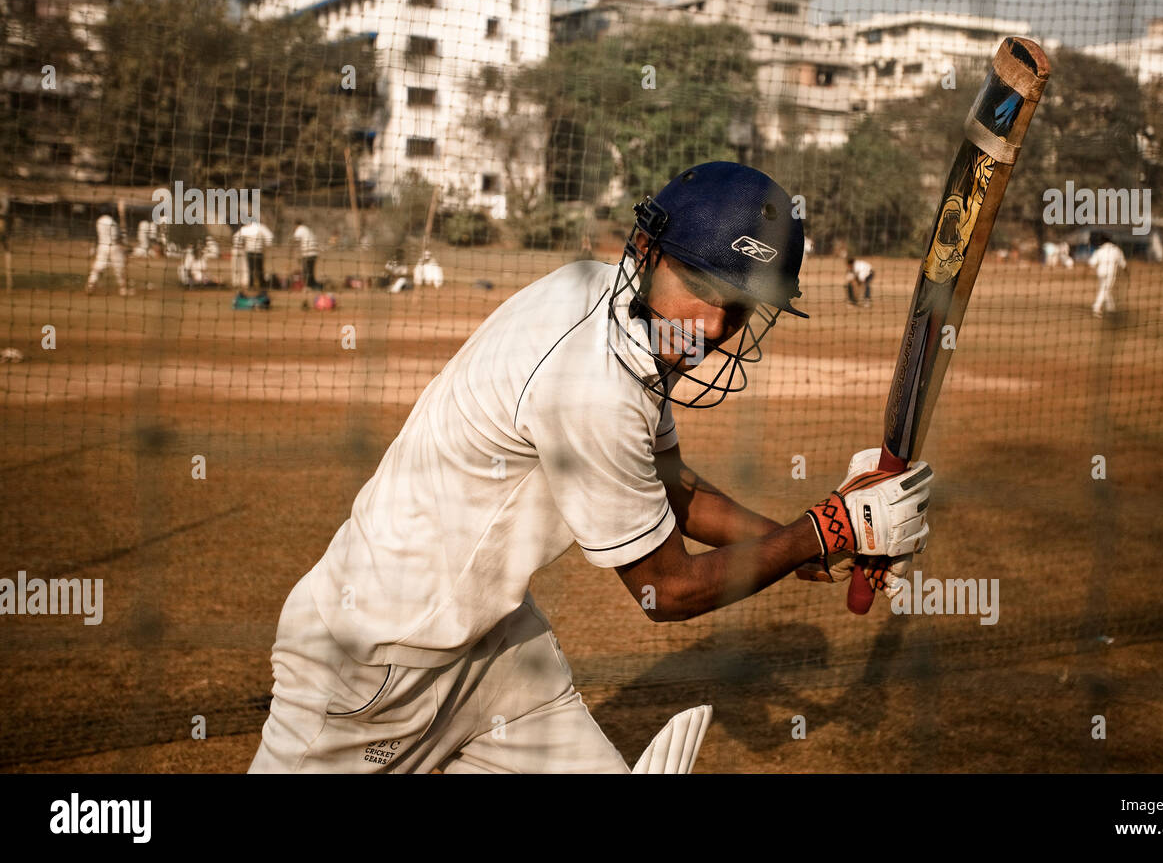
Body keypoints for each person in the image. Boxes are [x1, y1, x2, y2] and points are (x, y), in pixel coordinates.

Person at [248, 161, 935, 774]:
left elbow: (675, 487)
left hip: (494, 650)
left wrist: (816, 545)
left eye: (740, 305)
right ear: (645, 249)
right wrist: (818, 531)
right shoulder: (593, 383)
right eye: (701, 284)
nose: (713, 328)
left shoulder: (609, 305)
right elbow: (664, 593)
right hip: (371, 662)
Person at [86, 211, 129, 295]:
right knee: (119, 269)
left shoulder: (99, 221)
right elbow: (117, 237)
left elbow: (97, 237)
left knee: (98, 268)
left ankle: (90, 284)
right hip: (114, 247)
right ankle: (123, 289)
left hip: (102, 247)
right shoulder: (112, 222)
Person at [1088, 231, 1126, 317]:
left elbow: (1092, 263)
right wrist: (1126, 270)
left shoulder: (1099, 250)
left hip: (1100, 272)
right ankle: (1096, 307)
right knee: (1105, 290)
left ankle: (1111, 308)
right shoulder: (1116, 250)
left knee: (1105, 289)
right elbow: (1122, 262)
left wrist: (1088, 270)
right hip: (1110, 273)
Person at [237, 220, 275, 290]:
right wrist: (267, 245)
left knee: (251, 269)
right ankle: (262, 286)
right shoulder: (261, 227)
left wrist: (242, 245)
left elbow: (238, 239)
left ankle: (251, 285)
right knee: (259, 269)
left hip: (250, 252)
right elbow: (270, 236)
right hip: (258, 251)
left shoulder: (245, 228)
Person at [292, 222, 321, 291]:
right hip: (314, 252)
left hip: (308, 252)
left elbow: (295, 239)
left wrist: (294, 252)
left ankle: (308, 286)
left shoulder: (300, 229)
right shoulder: (307, 229)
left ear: (296, 225)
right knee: (310, 270)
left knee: (306, 270)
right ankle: (312, 285)